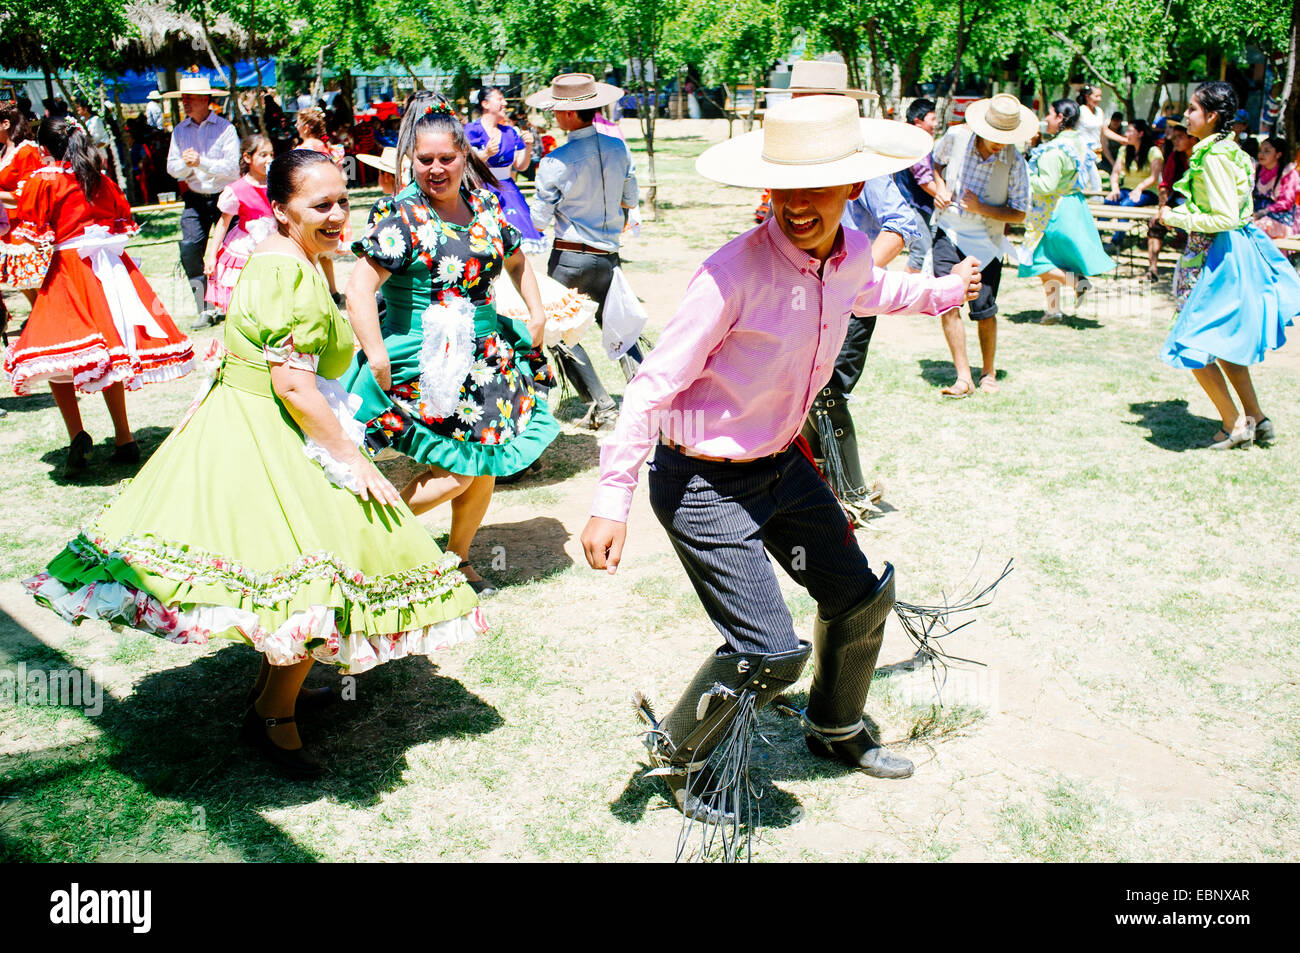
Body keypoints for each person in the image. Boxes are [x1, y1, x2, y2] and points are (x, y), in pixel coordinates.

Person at [579, 96, 982, 838]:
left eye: (817, 189)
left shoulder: (854, 252)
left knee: (858, 597)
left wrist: (946, 292)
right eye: (785, 190)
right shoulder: (729, 275)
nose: (798, 206)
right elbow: (652, 386)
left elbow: (877, 290)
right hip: (703, 482)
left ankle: (836, 726)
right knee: (768, 650)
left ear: (853, 189)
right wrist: (613, 497)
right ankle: (678, 756)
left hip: (781, 466)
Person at [23, 150, 487, 778]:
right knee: (314, 575)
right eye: (319, 205)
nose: (336, 214)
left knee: (295, 573)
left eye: (342, 200)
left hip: (262, 420)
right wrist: (355, 461)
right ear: (281, 207)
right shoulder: (286, 272)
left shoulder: (292, 257)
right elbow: (293, 387)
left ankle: (279, 694)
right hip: (268, 430)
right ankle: (274, 716)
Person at [341, 95, 559, 596]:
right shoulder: (400, 216)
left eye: (446, 158)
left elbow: (517, 256)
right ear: (410, 161)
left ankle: (457, 559)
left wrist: (537, 308)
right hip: (424, 356)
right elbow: (357, 288)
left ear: (464, 155)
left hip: (485, 357)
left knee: (482, 462)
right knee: (458, 471)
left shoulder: (485, 205)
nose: (436, 169)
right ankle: (357, 536)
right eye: (424, 160)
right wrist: (374, 352)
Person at [2, 119, 193, 473]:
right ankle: (124, 437)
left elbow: (33, 233)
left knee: (62, 354)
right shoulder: (99, 178)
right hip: (112, 270)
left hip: (70, 270)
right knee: (111, 350)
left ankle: (78, 435)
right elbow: (122, 220)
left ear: (45, 148)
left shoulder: (45, 180)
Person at [1157, 81, 1300, 449]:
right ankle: (1258, 418)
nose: (1186, 115)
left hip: (1214, 255)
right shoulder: (1229, 150)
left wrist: (1175, 217)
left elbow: (1222, 216)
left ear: (1212, 116)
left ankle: (1235, 423)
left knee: (1190, 341)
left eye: (1192, 109)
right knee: (1220, 342)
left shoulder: (1215, 156)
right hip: (1232, 251)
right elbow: (1237, 210)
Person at [528, 73, 640, 430]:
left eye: (557, 110)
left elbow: (539, 220)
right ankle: (647, 397)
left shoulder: (555, 162)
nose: (554, 116)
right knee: (618, 325)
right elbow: (631, 199)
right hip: (609, 258)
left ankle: (602, 406)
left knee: (559, 334)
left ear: (569, 115)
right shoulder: (618, 148)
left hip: (571, 258)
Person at [931, 93, 1033, 397]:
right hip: (949, 229)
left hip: (987, 242)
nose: (999, 143)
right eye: (994, 137)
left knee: (984, 309)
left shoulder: (1015, 162)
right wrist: (939, 187)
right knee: (948, 301)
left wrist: (981, 208)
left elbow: (1019, 212)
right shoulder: (956, 137)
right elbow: (936, 163)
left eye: (1006, 138)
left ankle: (989, 372)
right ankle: (963, 377)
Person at [1018, 99, 1114, 325]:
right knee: (1051, 259)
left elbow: (1047, 185)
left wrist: (1026, 176)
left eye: (1050, 114)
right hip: (1073, 205)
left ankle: (1076, 283)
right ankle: (1053, 310)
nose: (1047, 119)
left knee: (1036, 259)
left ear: (1060, 118)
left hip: (1053, 209)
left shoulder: (1055, 148)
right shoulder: (1079, 143)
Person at [165, 77, 240, 329]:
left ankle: (234, 304)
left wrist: (201, 162)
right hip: (195, 199)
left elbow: (232, 169)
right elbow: (171, 168)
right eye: (183, 98)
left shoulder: (226, 128)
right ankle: (204, 308)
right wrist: (187, 165)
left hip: (225, 198)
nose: (185, 103)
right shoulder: (179, 130)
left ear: (205, 100)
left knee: (232, 252)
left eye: (190, 98)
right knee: (189, 250)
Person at [466, 87, 545, 253]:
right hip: (479, 189)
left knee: (515, 241)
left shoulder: (510, 132)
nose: (505, 103)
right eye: (500, 99)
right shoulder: (471, 130)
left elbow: (521, 166)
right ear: (485, 104)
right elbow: (466, 163)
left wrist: (529, 147)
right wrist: (485, 154)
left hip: (507, 190)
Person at [203, 135, 275, 313]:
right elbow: (223, 223)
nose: (269, 160)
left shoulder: (278, 185)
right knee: (249, 294)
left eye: (272, 154)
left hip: (275, 241)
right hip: (248, 245)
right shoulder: (237, 189)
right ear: (247, 158)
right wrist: (211, 255)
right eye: (263, 155)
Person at [0, 101, 52, 300]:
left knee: (38, 285)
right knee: (24, 284)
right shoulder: (4, 152)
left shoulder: (26, 151)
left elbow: (28, 194)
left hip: (26, 228)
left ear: (5, 123)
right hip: (8, 227)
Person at [894, 97, 951, 274]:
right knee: (921, 252)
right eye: (932, 119)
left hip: (922, 206)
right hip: (913, 206)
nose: (935, 124)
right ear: (918, 121)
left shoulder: (919, 140)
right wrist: (948, 198)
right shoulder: (914, 142)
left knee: (929, 251)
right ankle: (904, 298)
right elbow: (924, 181)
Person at [1145, 117, 1195, 281]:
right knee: (1155, 225)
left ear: (1192, 138)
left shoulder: (1202, 158)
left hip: (1196, 205)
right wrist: (1162, 208)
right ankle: (1152, 269)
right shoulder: (1175, 157)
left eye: (1180, 137)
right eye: (1175, 137)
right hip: (1177, 203)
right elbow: (1165, 185)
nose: (1175, 140)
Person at [1251, 136, 1299, 240]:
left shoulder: (1288, 173)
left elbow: (1286, 202)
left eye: (1267, 151)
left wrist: (1264, 212)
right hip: (1256, 213)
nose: (1261, 154)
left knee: (1258, 228)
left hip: (1279, 217)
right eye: (1260, 150)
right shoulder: (1255, 169)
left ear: (1278, 154)